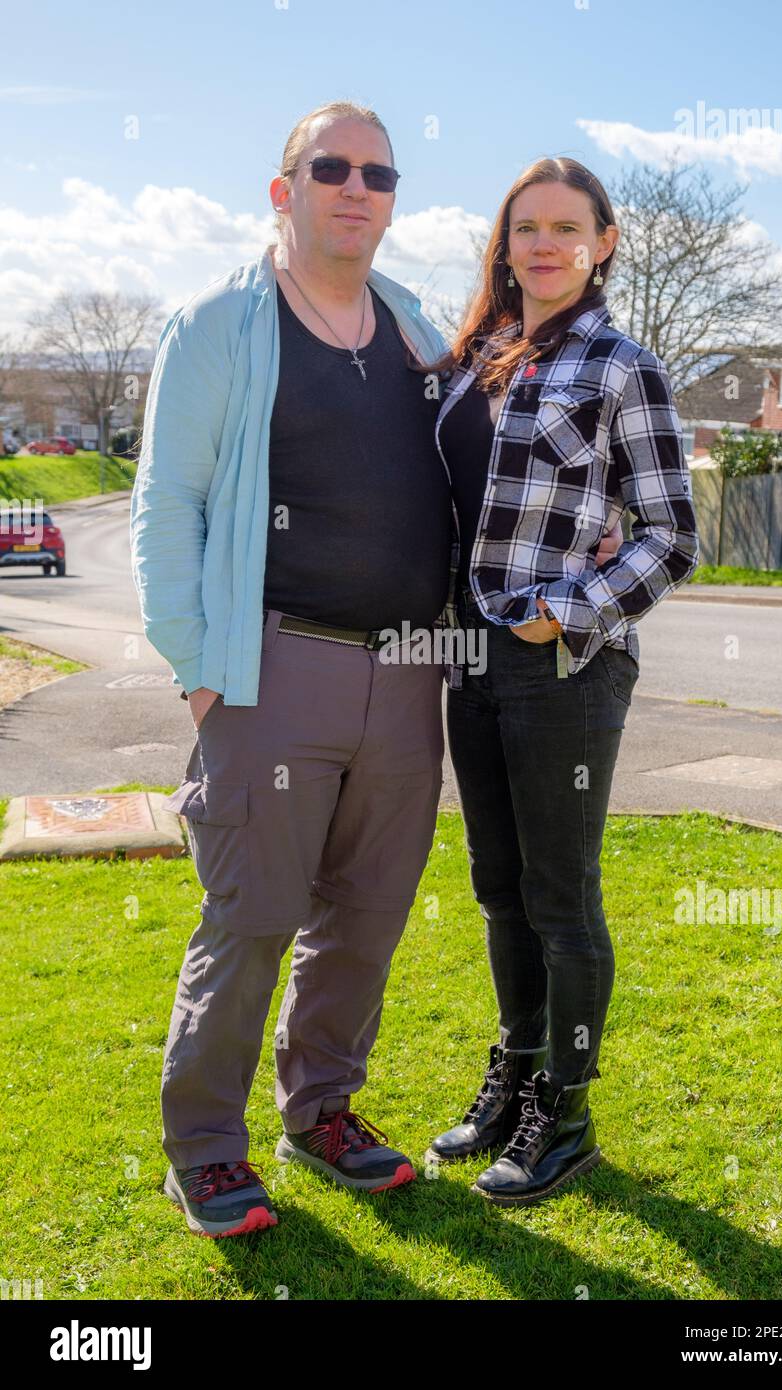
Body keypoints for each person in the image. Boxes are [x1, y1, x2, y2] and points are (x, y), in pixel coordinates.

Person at [131, 101, 457, 1237]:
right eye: (331, 167)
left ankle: (320, 1110)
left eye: (377, 171)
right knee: (254, 912)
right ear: (285, 190)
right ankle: (206, 1148)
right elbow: (165, 498)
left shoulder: (417, 326)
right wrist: (196, 665)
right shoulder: (221, 322)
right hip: (270, 670)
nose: (355, 186)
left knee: (365, 916)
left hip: (411, 674)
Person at [424, 157, 700, 1206]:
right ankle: (515, 1074)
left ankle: (565, 1113)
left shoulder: (620, 365)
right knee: (499, 891)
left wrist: (567, 610)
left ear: (601, 242)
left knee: (559, 897)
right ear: (502, 242)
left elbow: (673, 537)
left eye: (563, 227)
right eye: (523, 226)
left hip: (563, 666)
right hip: (469, 658)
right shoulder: (474, 359)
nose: (541, 244)